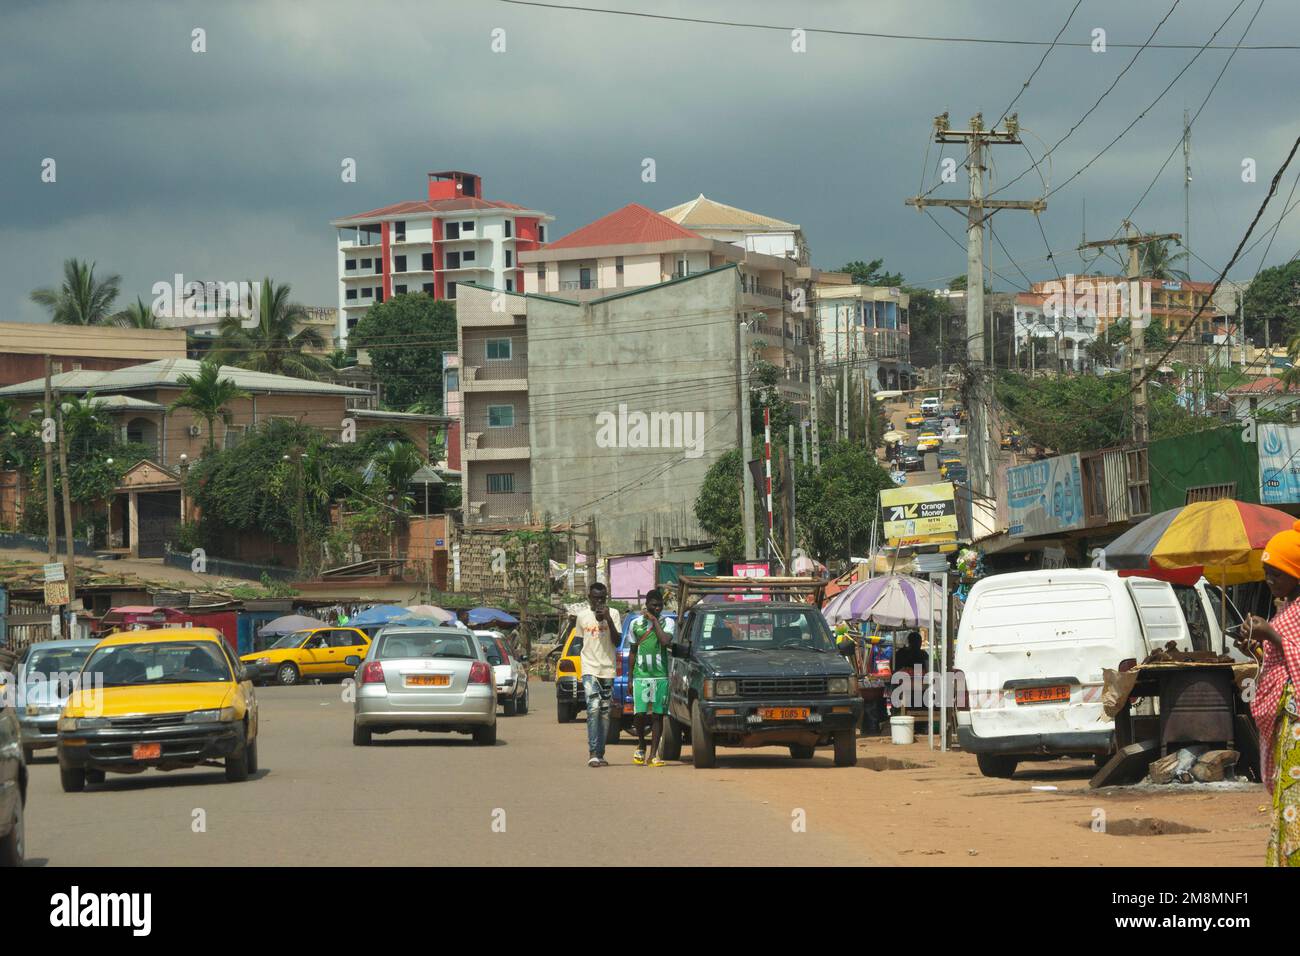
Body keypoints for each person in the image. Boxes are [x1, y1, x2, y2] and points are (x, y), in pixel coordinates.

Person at [1244, 519, 1300, 867]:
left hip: (1297, 721)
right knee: (1288, 795)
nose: (1269, 581)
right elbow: (1281, 661)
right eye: (1266, 573)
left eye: (1276, 573)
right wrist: (1260, 645)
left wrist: (1274, 636)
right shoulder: (1285, 610)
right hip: (1285, 721)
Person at [575, 582, 621, 767]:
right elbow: (579, 642)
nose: (599, 602)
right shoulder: (582, 616)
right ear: (590, 598)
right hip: (589, 669)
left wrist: (608, 619)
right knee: (593, 707)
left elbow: (617, 641)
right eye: (596, 598)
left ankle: (600, 752)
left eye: (603, 598)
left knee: (605, 711)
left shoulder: (615, 614)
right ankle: (593, 752)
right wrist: (583, 665)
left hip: (608, 669)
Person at [628, 589, 672, 767]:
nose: (657, 608)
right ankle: (640, 744)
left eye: (660, 605)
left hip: (660, 676)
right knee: (639, 714)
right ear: (647, 605)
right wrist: (630, 678)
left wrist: (654, 621)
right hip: (641, 676)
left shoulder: (667, 622)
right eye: (654, 605)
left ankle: (654, 755)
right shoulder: (635, 624)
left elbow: (665, 641)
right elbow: (632, 651)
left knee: (657, 716)